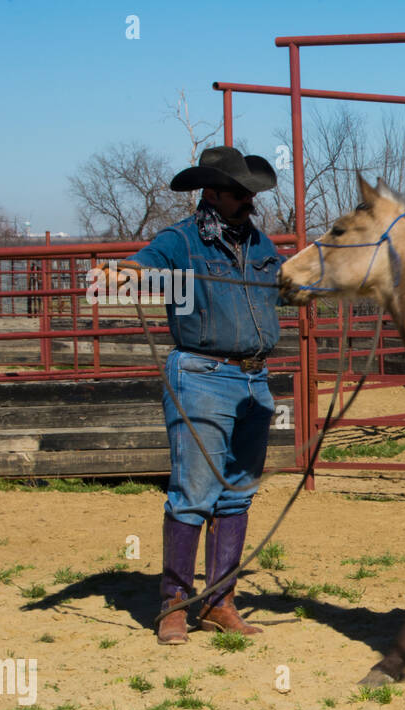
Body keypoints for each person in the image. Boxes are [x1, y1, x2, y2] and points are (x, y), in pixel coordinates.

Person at [105, 146, 284, 644]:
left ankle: (220, 602)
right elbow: (141, 266)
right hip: (201, 376)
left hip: (254, 380)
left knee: (237, 495)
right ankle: (175, 605)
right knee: (194, 494)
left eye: (252, 192)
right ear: (212, 192)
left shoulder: (260, 243)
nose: (250, 200)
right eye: (240, 192)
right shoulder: (180, 242)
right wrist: (124, 274)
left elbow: (288, 282)